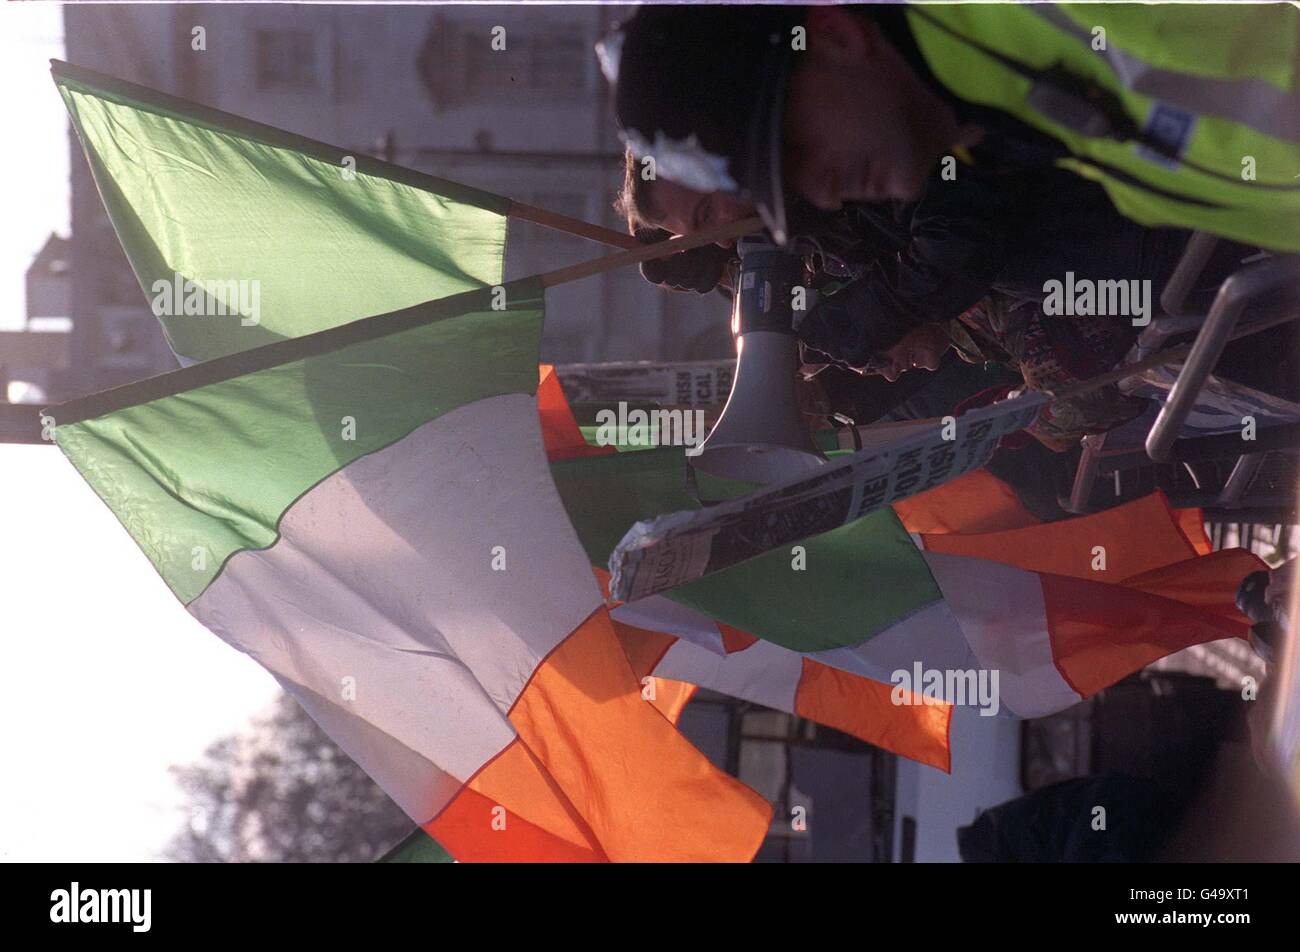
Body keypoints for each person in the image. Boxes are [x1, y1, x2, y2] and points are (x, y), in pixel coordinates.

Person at [600, 3, 1300, 366]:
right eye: (786, 193)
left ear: (836, 34)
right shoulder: (1015, 119)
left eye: (796, 145)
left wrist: (852, 320)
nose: (823, 189)